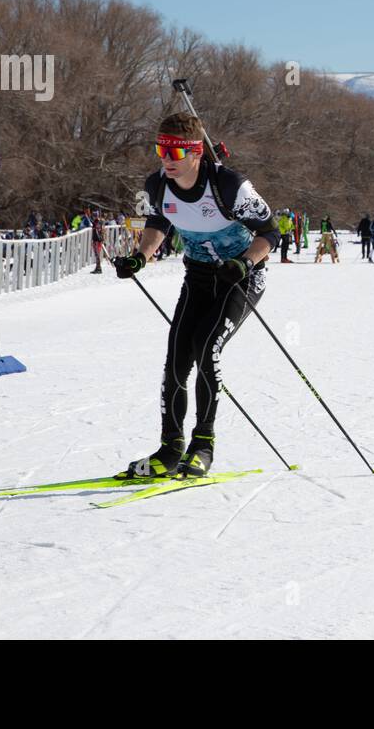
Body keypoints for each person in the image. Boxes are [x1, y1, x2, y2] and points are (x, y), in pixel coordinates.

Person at [110, 112, 279, 479]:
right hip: (199, 278)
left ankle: (203, 446)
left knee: (207, 349)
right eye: (160, 149)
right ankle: (170, 449)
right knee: (176, 359)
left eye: (174, 152)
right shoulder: (157, 184)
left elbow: (271, 233)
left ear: (196, 152)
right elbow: (158, 223)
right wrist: (140, 258)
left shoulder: (230, 186)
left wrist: (244, 264)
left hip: (239, 279)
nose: (166, 159)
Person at [91, 209, 105, 274]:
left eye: (94, 215)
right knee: (97, 254)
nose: (94, 217)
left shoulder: (97, 222)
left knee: (97, 254)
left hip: (97, 240)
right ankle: (97, 267)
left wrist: (99, 239)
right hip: (96, 240)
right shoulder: (98, 222)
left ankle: (98, 268)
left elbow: (98, 231)